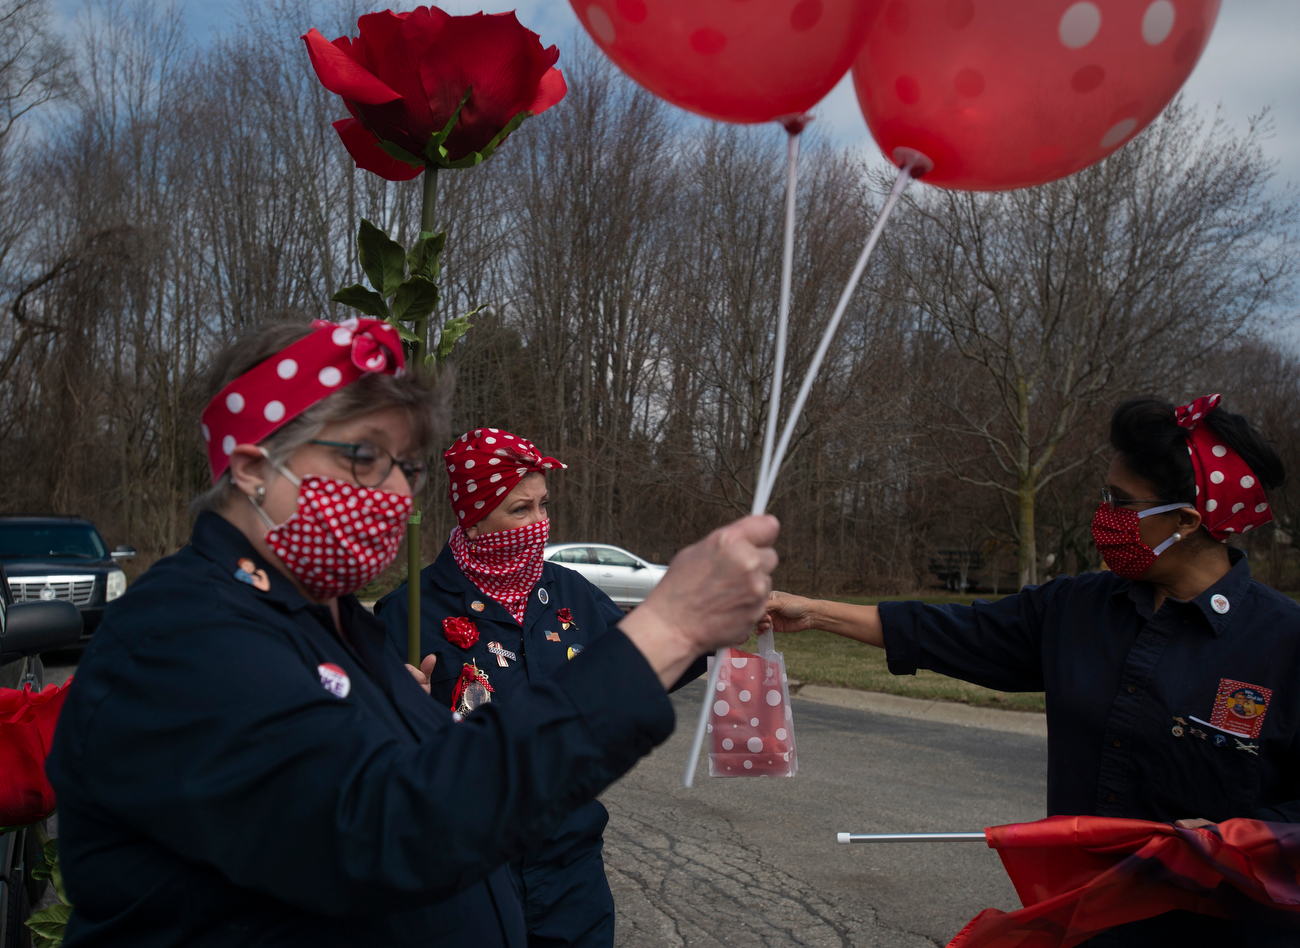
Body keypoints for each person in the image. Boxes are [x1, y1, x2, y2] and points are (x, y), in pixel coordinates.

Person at [46, 319, 780, 948]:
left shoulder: (336, 624)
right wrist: (667, 624)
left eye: (409, 466)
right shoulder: (182, 634)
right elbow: (387, 829)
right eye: (364, 455)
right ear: (251, 469)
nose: (397, 492)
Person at [762, 394, 1300, 945]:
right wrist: (816, 612)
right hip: (1085, 925)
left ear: (1184, 521)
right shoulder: (1077, 607)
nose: (1103, 515)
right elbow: (948, 631)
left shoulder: (1284, 643)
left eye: (1120, 501)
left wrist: (1230, 839)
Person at [375, 428, 706, 948]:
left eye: (543, 506)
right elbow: (371, 756)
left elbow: (637, 664)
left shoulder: (570, 593)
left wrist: (707, 630)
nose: (538, 525)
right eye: (519, 510)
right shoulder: (409, 611)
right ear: (474, 517)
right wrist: (394, 707)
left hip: (571, 869)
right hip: (466, 874)